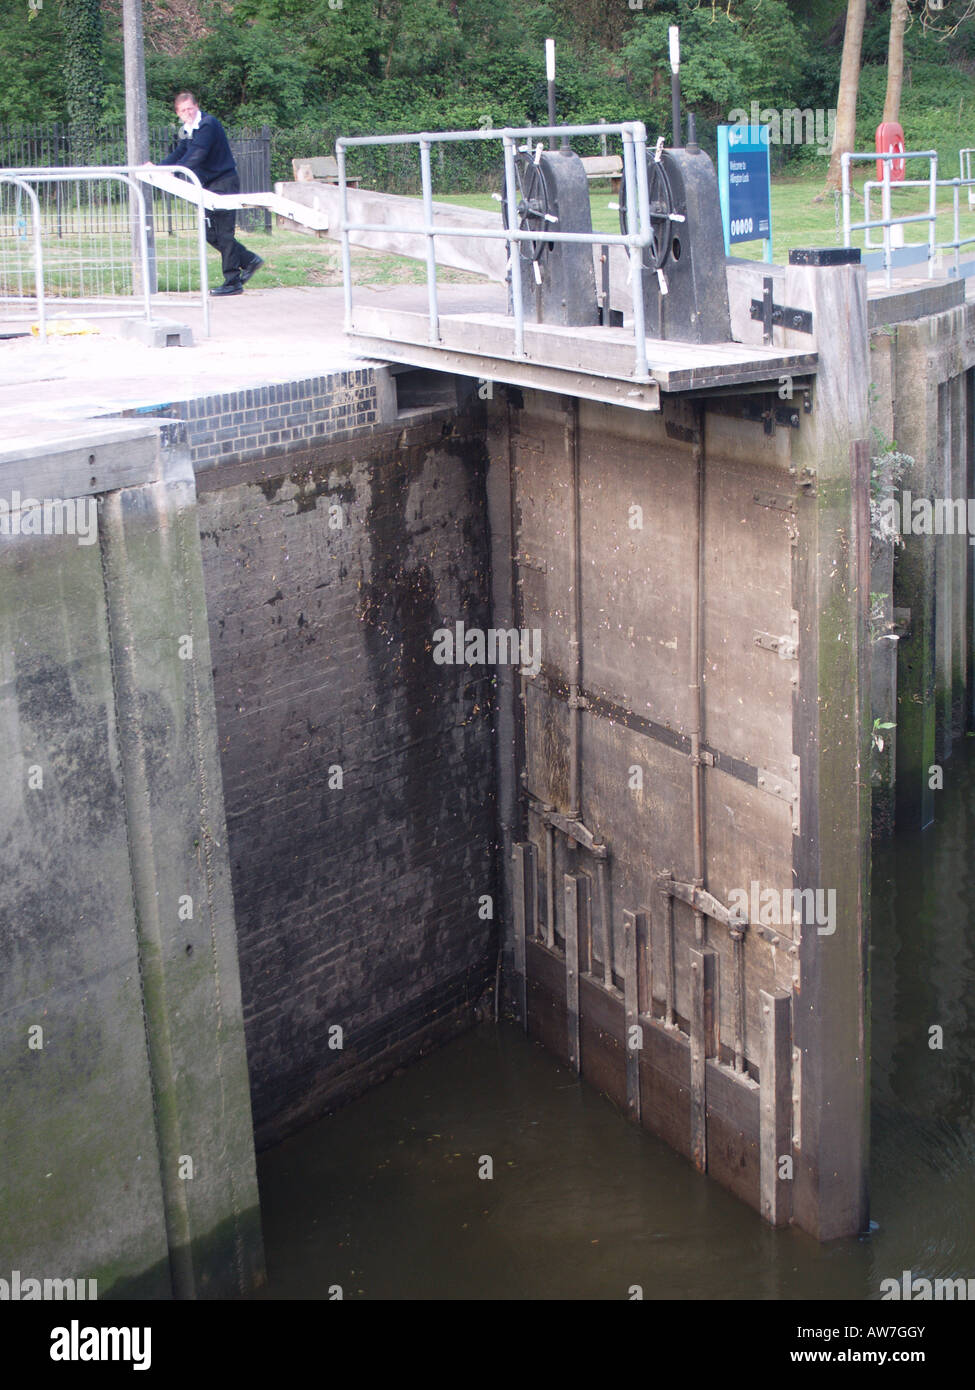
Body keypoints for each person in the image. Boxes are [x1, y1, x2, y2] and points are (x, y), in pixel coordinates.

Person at [157, 92, 264, 297]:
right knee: (209, 233)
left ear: (197, 106)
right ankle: (249, 260)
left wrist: (175, 170)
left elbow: (198, 153)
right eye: (183, 110)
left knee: (224, 232)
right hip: (207, 185)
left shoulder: (208, 124)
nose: (188, 113)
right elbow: (181, 152)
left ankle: (233, 281)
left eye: (190, 108)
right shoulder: (188, 130)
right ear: (177, 113)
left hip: (224, 181)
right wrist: (160, 167)